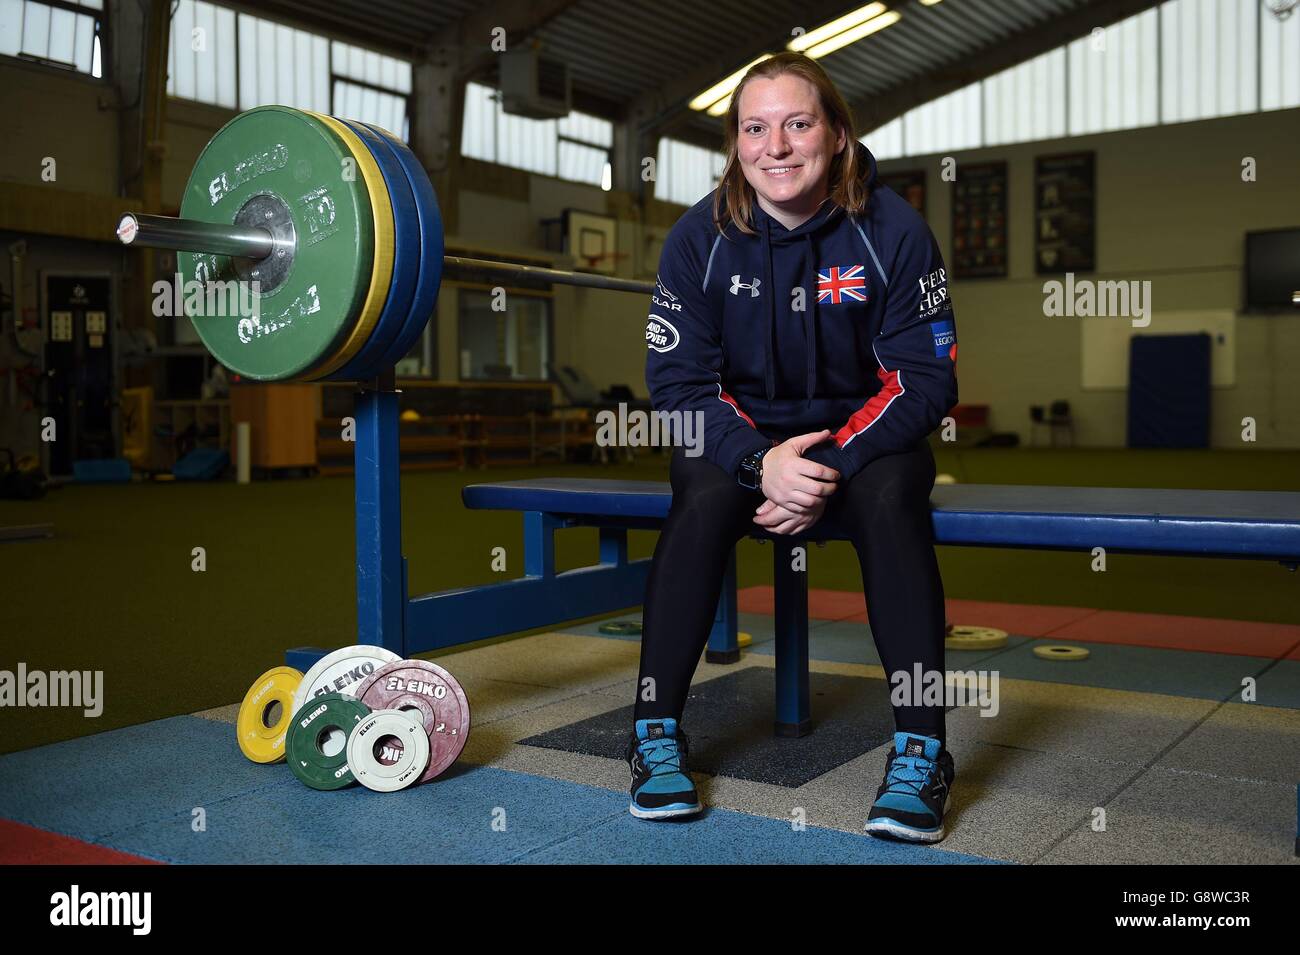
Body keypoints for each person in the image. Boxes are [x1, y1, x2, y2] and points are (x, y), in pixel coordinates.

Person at [629, 52, 959, 843]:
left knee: (891, 498)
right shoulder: (697, 237)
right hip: (743, 442)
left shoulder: (895, 230)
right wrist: (757, 462)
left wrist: (826, 464)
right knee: (701, 493)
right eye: (755, 127)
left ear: (837, 136)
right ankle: (652, 735)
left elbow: (924, 380)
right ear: (737, 144)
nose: (776, 145)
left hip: (867, 441)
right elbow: (678, 386)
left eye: (798, 123)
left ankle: (922, 747)